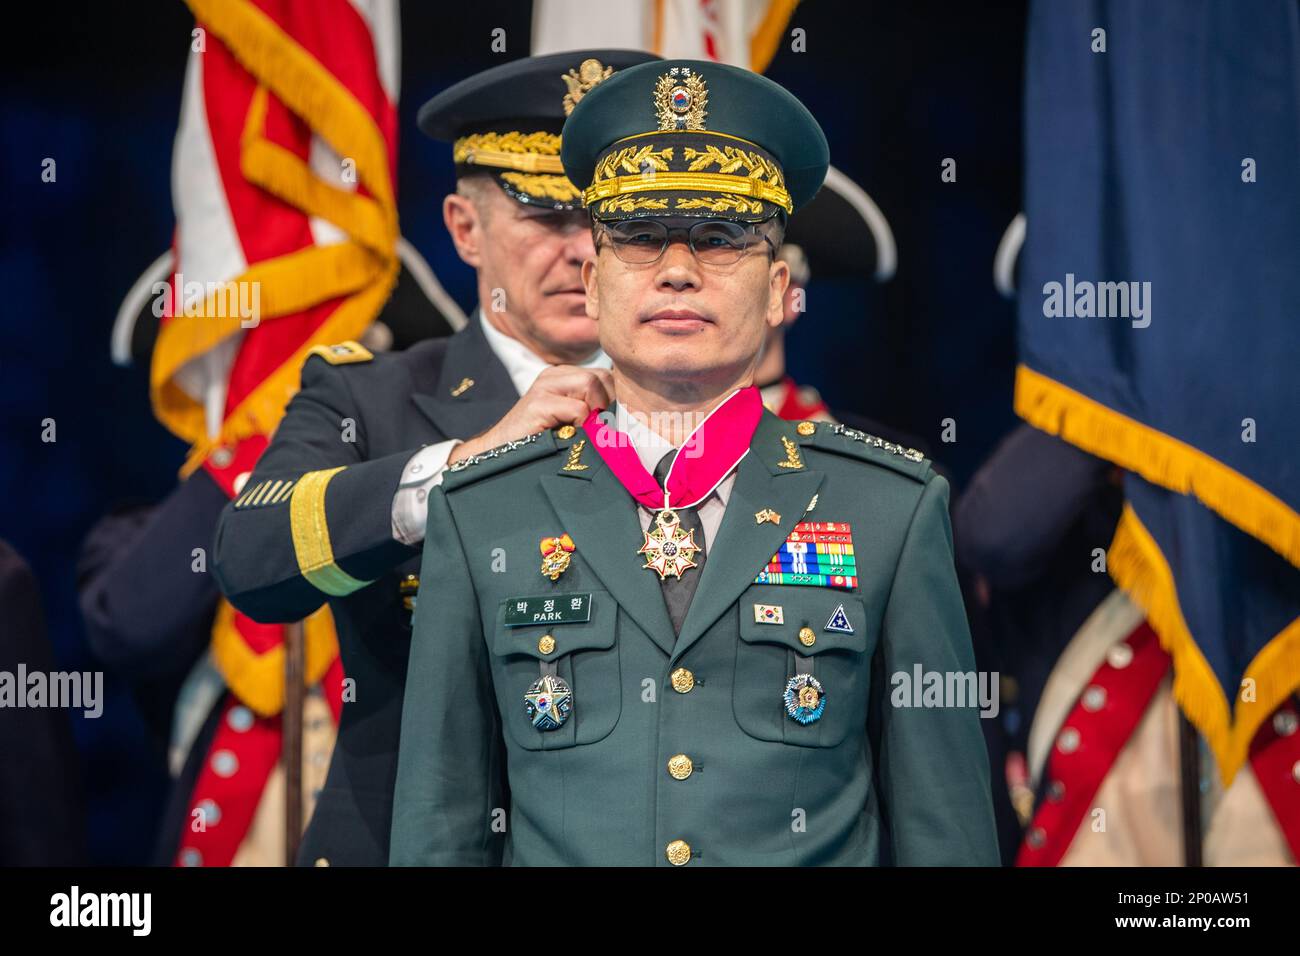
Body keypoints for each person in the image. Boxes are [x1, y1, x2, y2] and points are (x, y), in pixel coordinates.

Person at [391, 59, 999, 866]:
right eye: (639, 238)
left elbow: (945, 833)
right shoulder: (480, 511)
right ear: (594, 282)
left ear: (782, 289)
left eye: (720, 239)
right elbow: (440, 826)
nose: (678, 269)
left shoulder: (891, 507)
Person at [211, 49, 657, 867]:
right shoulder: (371, 400)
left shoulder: (696, 406)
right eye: (545, 215)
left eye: (609, 221)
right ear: (464, 228)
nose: (582, 252)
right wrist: (466, 462)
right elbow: (249, 560)